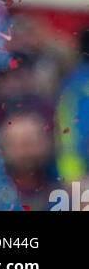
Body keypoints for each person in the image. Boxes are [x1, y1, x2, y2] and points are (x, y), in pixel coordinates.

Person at [54, 26, 89, 184]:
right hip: (81, 178)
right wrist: (73, 177)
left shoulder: (73, 84)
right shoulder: (76, 85)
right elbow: (69, 132)